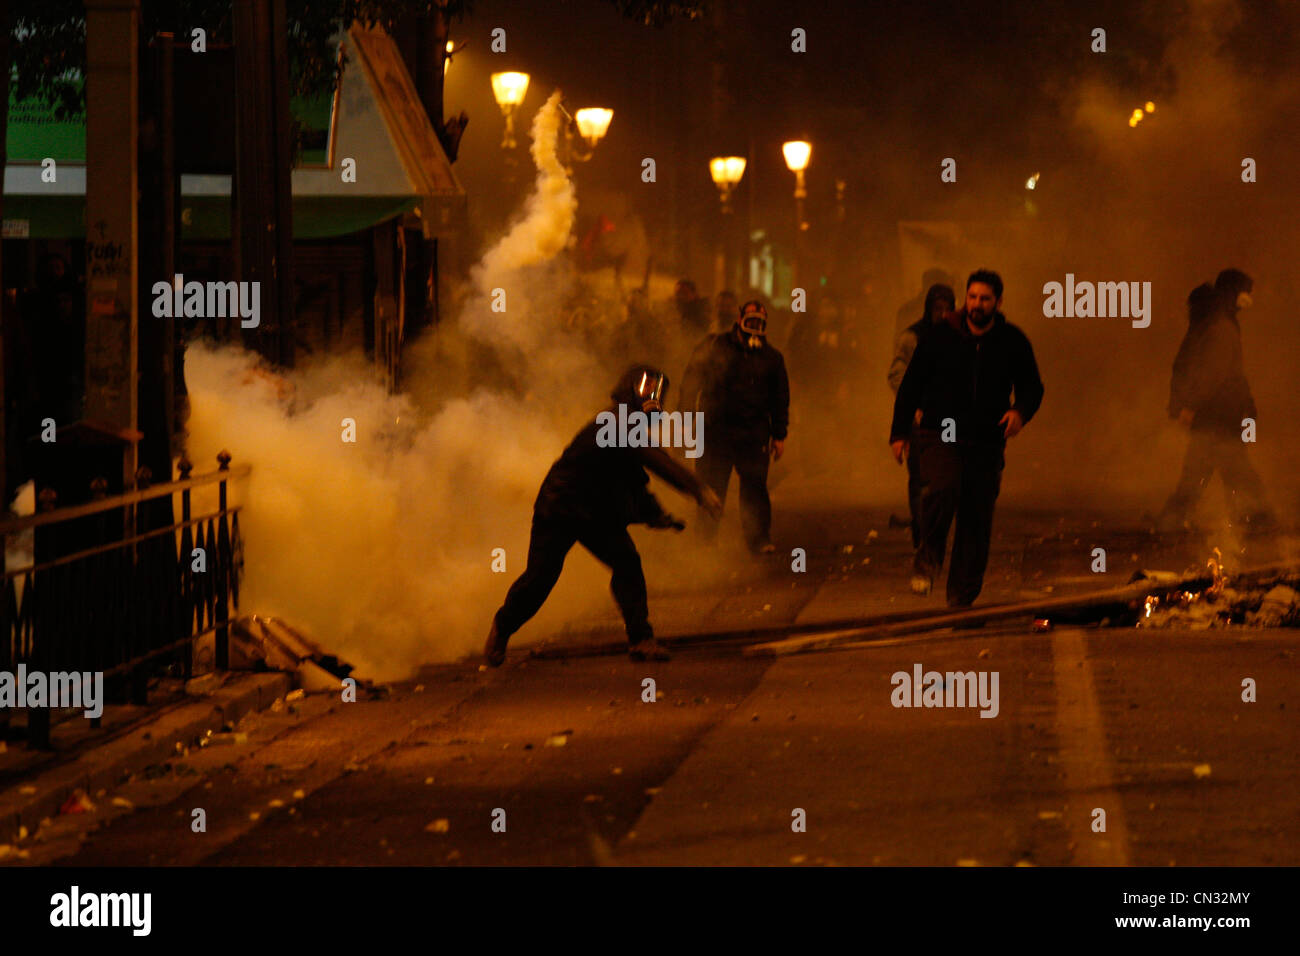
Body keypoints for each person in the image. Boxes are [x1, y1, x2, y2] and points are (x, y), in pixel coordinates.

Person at [485, 365, 723, 666]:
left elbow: (635, 478)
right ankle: (502, 627)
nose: (653, 397)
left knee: (627, 563)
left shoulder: (625, 428)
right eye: (648, 390)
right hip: (560, 507)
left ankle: (641, 639)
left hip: (595, 513)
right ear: (630, 390)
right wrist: (697, 488)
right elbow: (655, 460)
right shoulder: (614, 422)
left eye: (657, 393)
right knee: (540, 579)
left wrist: (657, 514)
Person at [890, 269, 1043, 607]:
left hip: (986, 439)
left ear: (998, 302)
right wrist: (899, 433)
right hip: (941, 431)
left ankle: (961, 598)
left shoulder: (1011, 341)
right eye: (972, 297)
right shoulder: (940, 336)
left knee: (977, 517)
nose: (977, 304)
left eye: (985, 299)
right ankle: (927, 559)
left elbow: (1033, 386)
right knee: (942, 488)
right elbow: (911, 384)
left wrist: (1019, 412)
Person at [1158, 270, 1274, 532]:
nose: (1250, 297)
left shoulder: (1215, 320)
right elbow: (1215, 373)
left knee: (1202, 469)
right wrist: (1191, 406)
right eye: (1247, 291)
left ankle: (1173, 519)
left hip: (1217, 412)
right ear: (1234, 292)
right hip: (1220, 412)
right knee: (1234, 469)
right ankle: (1259, 522)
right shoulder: (1221, 325)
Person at [680, 300, 790, 554]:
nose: (755, 328)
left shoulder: (772, 358)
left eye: (760, 323)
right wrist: (686, 422)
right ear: (739, 321)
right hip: (714, 433)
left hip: (753, 435)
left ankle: (759, 540)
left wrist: (779, 434)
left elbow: (780, 398)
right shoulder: (713, 346)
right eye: (750, 321)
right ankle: (705, 541)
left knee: (754, 489)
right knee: (710, 488)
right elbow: (690, 383)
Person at [887, 283, 956, 547]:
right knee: (920, 480)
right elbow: (896, 374)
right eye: (937, 308)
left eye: (947, 308)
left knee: (945, 478)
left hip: (948, 419)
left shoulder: (959, 336)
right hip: (920, 419)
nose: (942, 313)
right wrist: (912, 404)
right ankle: (923, 536)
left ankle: (932, 531)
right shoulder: (912, 338)